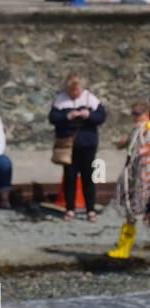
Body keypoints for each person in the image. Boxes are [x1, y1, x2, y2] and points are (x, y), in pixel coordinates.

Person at [49, 73, 107, 222]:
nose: (74, 93)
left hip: (87, 144)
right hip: (68, 145)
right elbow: (53, 118)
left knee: (88, 177)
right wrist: (68, 116)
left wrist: (88, 115)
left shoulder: (90, 99)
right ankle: (70, 208)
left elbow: (101, 117)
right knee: (69, 177)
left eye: (77, 90)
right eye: (72, 90)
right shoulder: (60, 100)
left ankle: (90, 209)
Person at [107, 102, 150, 259]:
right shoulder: (137, 130)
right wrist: (121, 143)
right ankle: (123, 249)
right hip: (135, 178)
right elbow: (129, 146)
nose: (135, 116)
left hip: (146, 179)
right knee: (131, 213)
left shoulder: (147, 129)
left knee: (143, 214)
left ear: (146, 113)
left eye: (138, 113)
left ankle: (124, 249)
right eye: (133, 113)